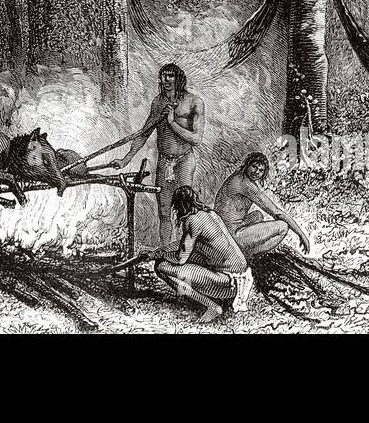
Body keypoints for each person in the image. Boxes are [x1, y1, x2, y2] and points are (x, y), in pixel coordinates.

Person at [109, 62, 203, 245]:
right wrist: (126, 159)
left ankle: (184, 253)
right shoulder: (158, 102)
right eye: (164, 76)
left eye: (171, 76)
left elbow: (196, 139)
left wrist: (172, 122)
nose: (166, 80)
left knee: (184, 209)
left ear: (179, 78)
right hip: (164, 162)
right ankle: (166, 250)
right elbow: (144, 132)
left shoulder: (194, 102)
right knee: (164, 211)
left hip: (184, 161)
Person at [152, 185, 254, 324]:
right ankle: (212, 301)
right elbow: (181, 245)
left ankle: (212, 306)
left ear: (178, 206)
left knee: (162, 267)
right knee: (185, 260)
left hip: (227, 283)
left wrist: (160, 256)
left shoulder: (192, 221)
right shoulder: (210, 214)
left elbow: (181, 258)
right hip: (240, 277)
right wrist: (160, 251)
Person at [215, 152, 311, 262]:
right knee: (283, 226)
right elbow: (276, 212)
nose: (256, 172)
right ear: (247, 165)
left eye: (261, 170)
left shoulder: (238, 177)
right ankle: (248, 256)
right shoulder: (245, 184)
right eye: (254, 167)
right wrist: (301, 234)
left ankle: (247, 251)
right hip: (231, 236)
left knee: (257, 215)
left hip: (223, 230)